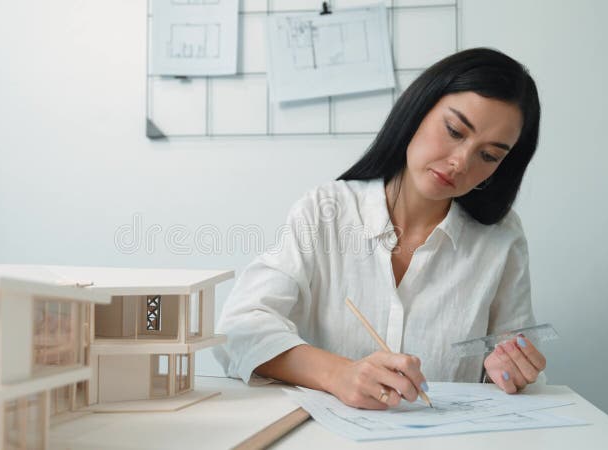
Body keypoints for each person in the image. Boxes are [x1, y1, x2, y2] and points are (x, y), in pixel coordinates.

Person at [213, 48, 547, 410]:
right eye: (454, 131)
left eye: (489, 156)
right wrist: (337, 374)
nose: (460, 162)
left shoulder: (501, 238)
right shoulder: (327, 211)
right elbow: (237, 330)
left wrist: (511, 371)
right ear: (418, 111)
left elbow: (512, 364)